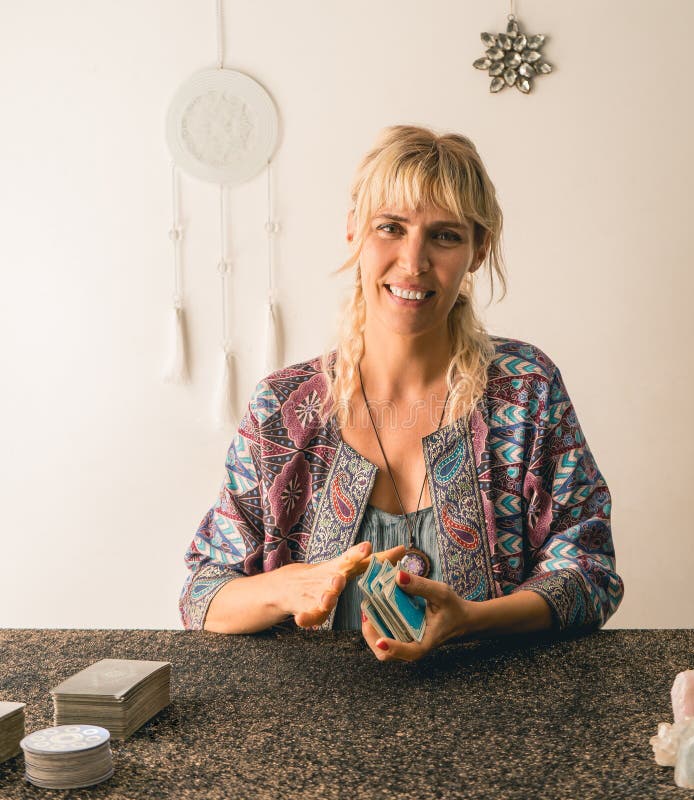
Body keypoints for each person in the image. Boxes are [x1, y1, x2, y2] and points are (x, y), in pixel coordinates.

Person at [178, 124, 623, 662]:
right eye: (391, 227)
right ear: (353, 232)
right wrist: (288, 587)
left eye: (445, 235)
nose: (413, 262)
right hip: (313, 726)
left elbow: (589, 573)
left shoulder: (525, 390)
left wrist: (471, 621)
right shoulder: (285, 407)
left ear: (477, 250)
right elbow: (202, 595)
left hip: (499, 721)